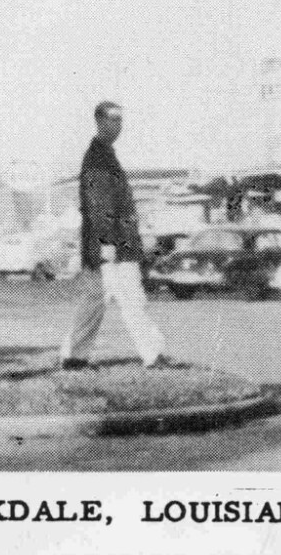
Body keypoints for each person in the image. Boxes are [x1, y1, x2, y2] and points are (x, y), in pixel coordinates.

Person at [60, 101, 179, 371]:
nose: (118, 126)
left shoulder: (102, 154)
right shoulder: (99, 158)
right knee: (132, 300)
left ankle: (74, 357)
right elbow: (99, 203)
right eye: (113, 120)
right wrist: (108, 244)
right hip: (114, 245)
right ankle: (153, 355)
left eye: (121, 120)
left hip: (102, 245)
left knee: (93, 301)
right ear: (99, 121)